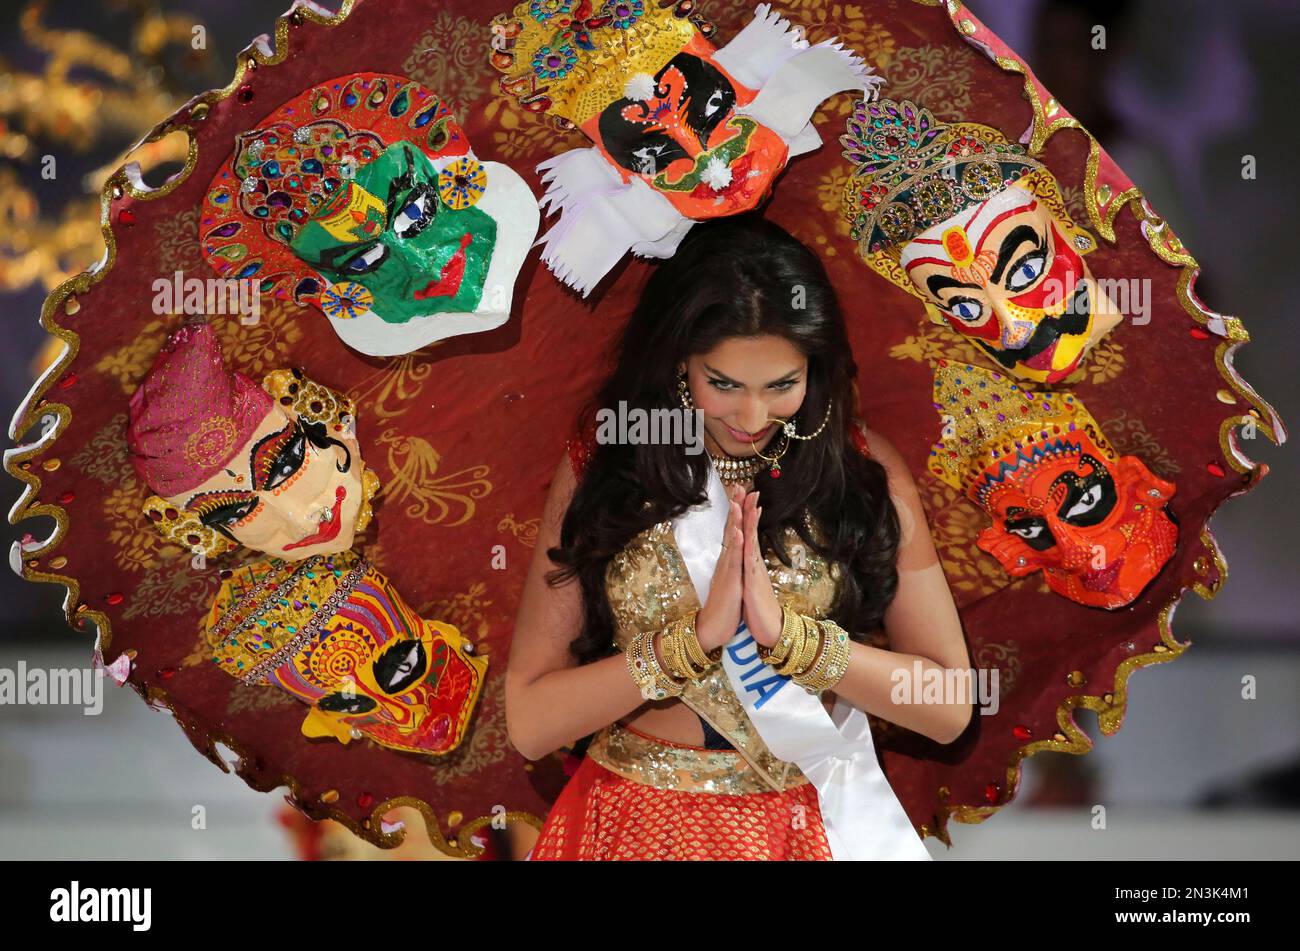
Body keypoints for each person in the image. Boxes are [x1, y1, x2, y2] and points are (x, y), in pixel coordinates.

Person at [506, 212, 971, 860]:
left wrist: (796, 643)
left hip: (808, 826)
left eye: (782, 385)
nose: (752, 417)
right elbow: (529, 720)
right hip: (635, 823)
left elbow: (948, 704)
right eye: (722, 384)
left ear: (817, 365)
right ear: (678, 362)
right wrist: (689, 644)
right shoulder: (613, 457)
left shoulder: (858, 465)